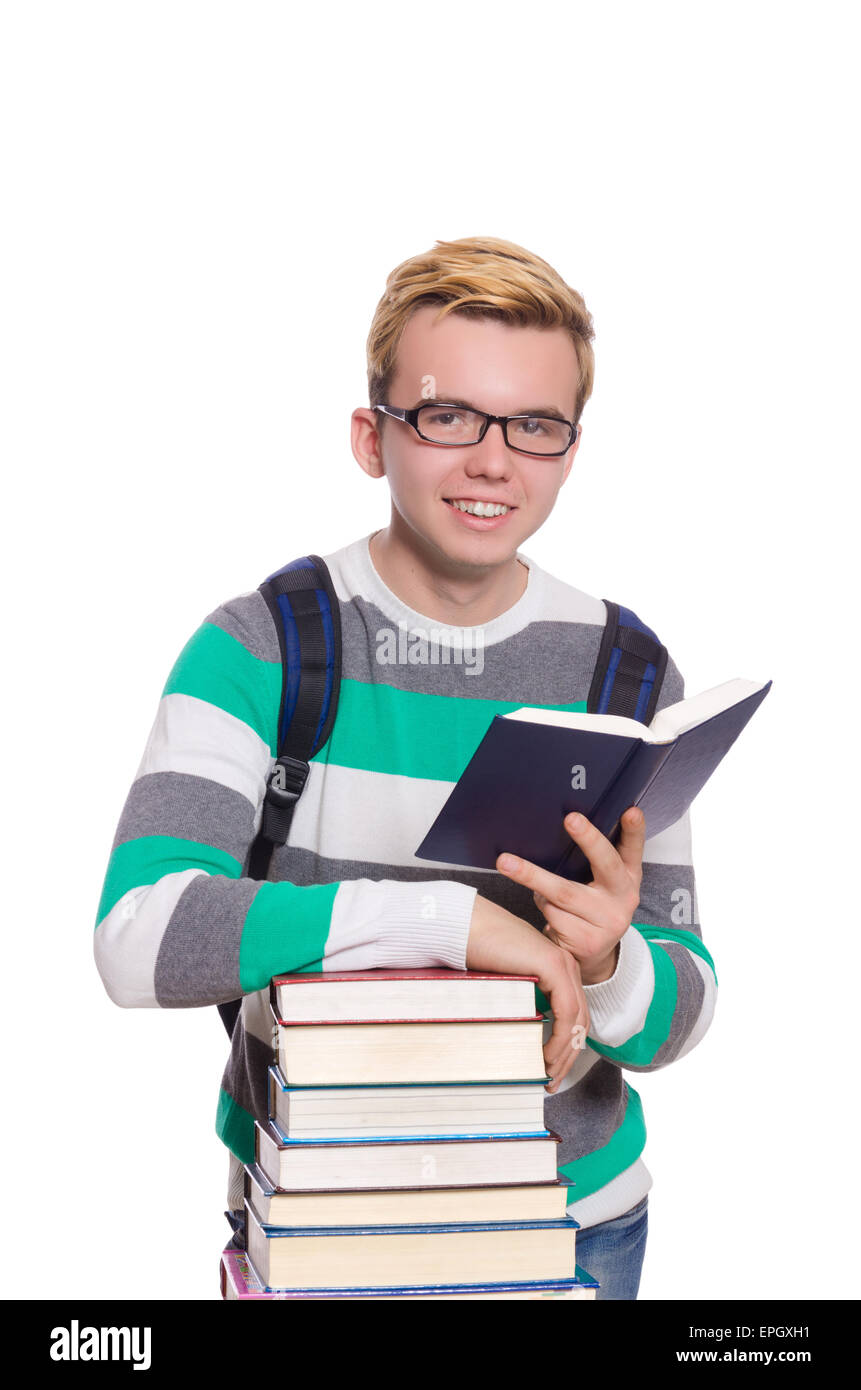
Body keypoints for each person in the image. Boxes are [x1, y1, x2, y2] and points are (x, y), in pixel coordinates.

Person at [93, 235, 716, 1300]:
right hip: (325, 1222)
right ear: (371, 437)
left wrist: (615, 962)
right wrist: (451, 923)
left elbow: (687, 1005)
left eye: (534, 425)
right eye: (446, 417)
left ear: (570, 447)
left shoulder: (627, 671)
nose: (491, 459)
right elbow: (138, 935)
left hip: (575, 1224)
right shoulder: (264, 646)